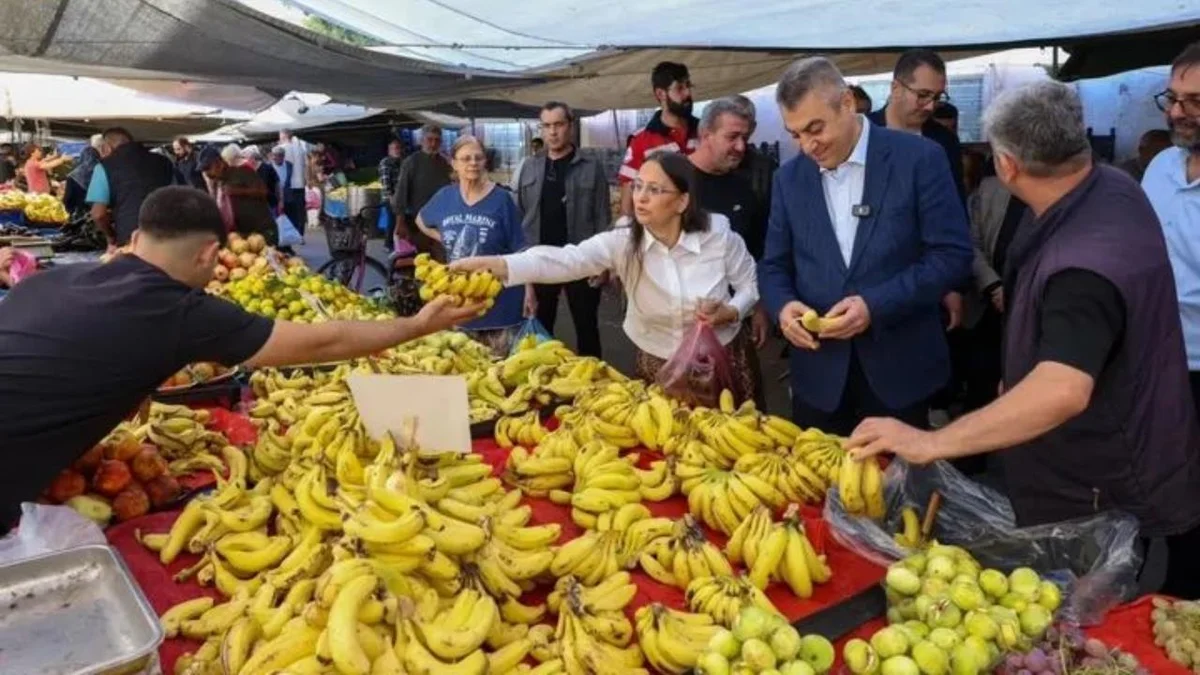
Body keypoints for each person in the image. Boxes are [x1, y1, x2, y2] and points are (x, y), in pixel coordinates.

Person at [849, 80, 1200, 599]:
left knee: (1088, 614)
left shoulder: (1082, 265)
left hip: (1099, 479)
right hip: (1136, 431)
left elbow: (1063, 389)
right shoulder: (1110, 185)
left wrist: (929, 442)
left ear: (1007, 165)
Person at [0, 186, 481, 531]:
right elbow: (321, 343)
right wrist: (421, 324)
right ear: (210, 254)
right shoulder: (179, 310)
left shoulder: (51, 281)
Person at [759, 57, 972, 435]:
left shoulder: (920, 159)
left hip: (899, 373)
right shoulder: (788, 179)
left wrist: (875, 305)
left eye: (815, 128)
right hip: (818, 379)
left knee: (898, 490)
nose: (807, 146)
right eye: (795, 134)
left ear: (846, 104)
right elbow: (774, 265)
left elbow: (952, 256)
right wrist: (783, 307)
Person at [456, 152, 761, 401]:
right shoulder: (624, 241)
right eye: (638, 185)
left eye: (654, 190)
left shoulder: (718, 236)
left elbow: (749, 284)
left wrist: (732, 311)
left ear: (682, 201)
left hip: (721, 356)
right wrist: (497, 263)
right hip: (657, 360)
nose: (639, 197)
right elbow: (567, 260)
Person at [510, 102, 611, 358]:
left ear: (571, 127)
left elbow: (602, 216)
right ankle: (543, 384)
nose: (552, 132)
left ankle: (594, 384)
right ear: (541, 130)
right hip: (541, 260)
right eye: (547, 126)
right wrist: (523, 269)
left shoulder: (591, 166)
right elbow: (520, 218)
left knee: (587, 327)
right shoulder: (529, 167)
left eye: (558, 124)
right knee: (541, 327)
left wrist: (604, 264)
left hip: (581, 259)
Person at [414, 136, 531, 353]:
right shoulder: (444, 197)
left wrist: (530, 291)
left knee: (500, 376)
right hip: (460, 303)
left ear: (485, 162)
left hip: (502, 305)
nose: (472, 163)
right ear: (454, 163)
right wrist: (444, 237)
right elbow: (421, 219)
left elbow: (521, 249)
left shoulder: (502, 199)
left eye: (478, 158)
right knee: (467, 371)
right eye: (465, 158)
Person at [1143, 42, 1200, 412]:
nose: (1177, 113)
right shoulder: (1161, 165)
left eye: (1195, 101)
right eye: (1172, 98)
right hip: (1154, 357)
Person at [619, 62, 699, 220]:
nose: (688, 93)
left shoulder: (705, 131)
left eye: (688, 86)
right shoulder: (641, 140)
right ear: (661, 94)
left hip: (702, 226)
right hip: (660, 230)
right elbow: (628, 192)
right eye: (680, 88)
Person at [87, 127, 176, 249]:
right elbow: (179, 198)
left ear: (106, 147)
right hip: (166, 235)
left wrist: (111, 237)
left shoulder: (104, 167)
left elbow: (98, 214)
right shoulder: (164, 161)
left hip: (130, 238)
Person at [198, 146, 278, 245]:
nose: (207, 173)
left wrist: (239, 191)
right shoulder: (219, 183)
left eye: (208, 168)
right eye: (204, 170)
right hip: (241, 237)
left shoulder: (243, 172)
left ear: (219, 163)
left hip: (262, 232)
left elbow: (263, 191)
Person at [394, 123, 453, 255]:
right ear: (421, 140)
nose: (433, 144)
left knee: (441, 263)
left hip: (442, 222)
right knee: (421, 262)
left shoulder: (444, 164)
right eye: (429, 139)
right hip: (417, 222)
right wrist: (400, 222)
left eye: (437, 140)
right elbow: (401, 193)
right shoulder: (411, 162)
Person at [278, 130, 309, 236]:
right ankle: (300, 233)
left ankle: (292, 233)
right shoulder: (301, 149)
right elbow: (306, 166)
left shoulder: (285, 148)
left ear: (285, 136)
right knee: (300, 210)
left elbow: (286, 168)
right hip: (300, 185)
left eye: (280, 136)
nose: (279, 138)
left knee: (290, 211)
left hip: (290, 185)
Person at [64, 137, 102, 217]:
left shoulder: (73, 176)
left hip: (78, 216)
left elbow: (67, 200)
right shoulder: (101, 173)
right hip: (95, 213)